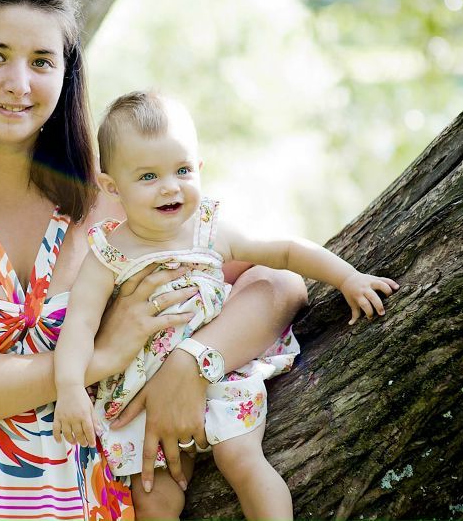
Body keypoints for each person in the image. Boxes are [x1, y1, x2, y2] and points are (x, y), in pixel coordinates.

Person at [0, 0, 308, 521]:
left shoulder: (118, 197)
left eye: (42, 61)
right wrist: (99, 359)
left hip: (86, 501)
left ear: (67, 75)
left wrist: (191, 363)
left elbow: (277, 285)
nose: (19, 83)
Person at [53, 90, 400, 521]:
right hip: (139, 395)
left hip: (218, 374)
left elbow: (285, 252)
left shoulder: (209, 230)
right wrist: (70, 386)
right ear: (112, 187)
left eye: (182, 170)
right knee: (152, 496)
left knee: (241, 459)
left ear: (199, 168)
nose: (170, 186)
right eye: (148, 176)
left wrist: (348, 277)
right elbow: (79, 324)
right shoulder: (108, 255)